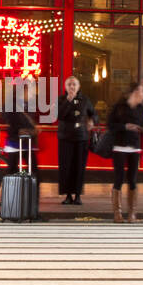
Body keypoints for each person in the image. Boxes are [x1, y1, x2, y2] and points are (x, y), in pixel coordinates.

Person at [107, 81, 143, 223]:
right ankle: (117, 214)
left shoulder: (141, 109)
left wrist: (140, 129)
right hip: (119, 146)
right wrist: (125, 126)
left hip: (135, 146)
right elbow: (110, 125)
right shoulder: (119, 107)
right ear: (134, 92)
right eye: (141, 91)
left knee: (133, 179)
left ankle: (132, 213)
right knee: (118, 178)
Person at [56, 76, 95, 205]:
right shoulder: (61, 99)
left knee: (79, 167)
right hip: (65, 137)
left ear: (78, 87)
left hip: (81, 137)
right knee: (66, 167)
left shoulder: (85, 100)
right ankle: (68, 195)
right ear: (65, 87)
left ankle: (77, 195)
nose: (72, 87)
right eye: (69, 84)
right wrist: (69, 101)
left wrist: (92, 120)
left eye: (74, 84)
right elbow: (59, 115)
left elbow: (93, 114)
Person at [3, 108, 36, 175]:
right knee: (13, 169)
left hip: (23, 142)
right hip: (15, 142)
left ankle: (33, 183)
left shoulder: (23, 106)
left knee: (32, 168)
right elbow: (9, 121)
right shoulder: (12, 106)